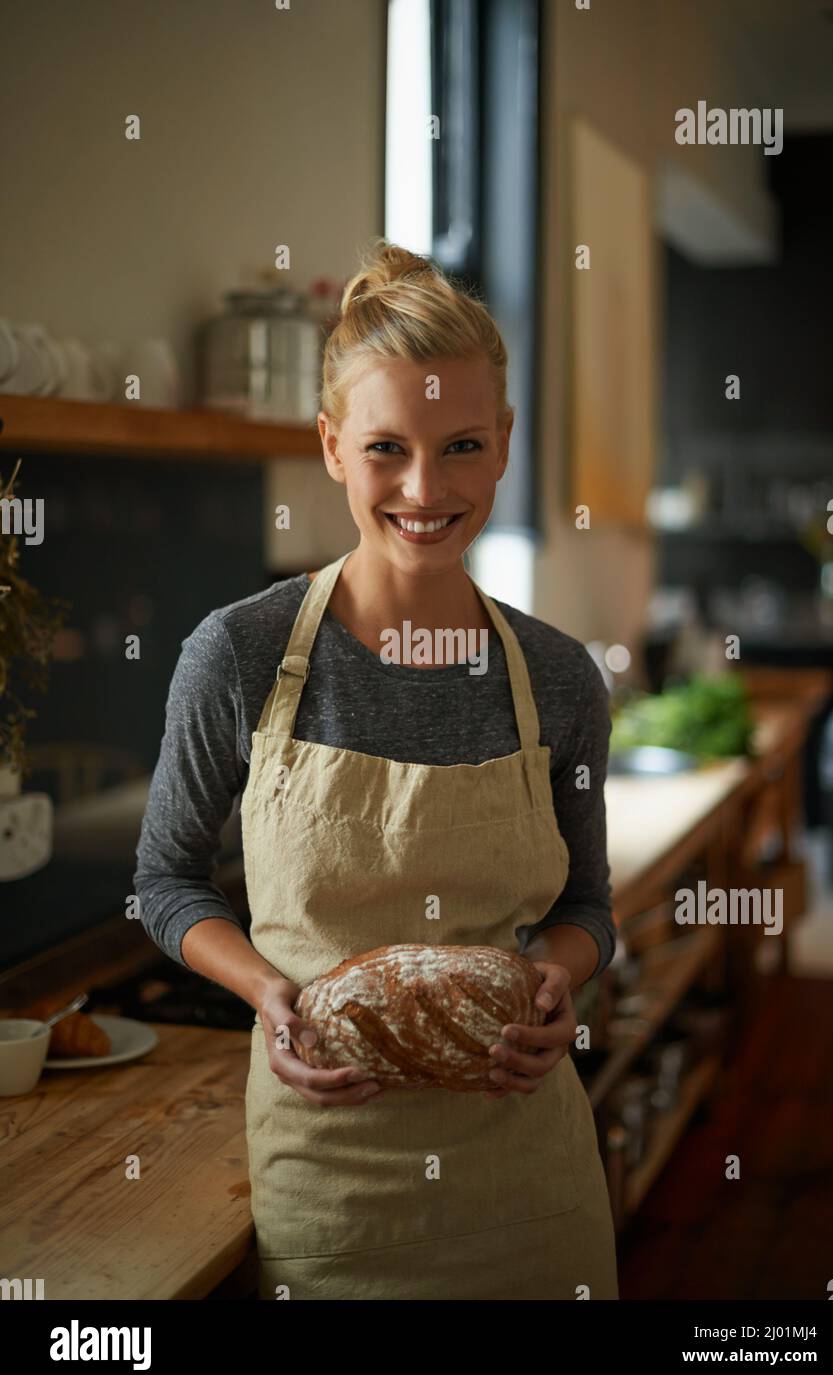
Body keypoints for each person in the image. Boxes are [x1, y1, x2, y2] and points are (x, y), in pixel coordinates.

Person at [134, 238, 620, 1300]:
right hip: (333, 1185)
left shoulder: (560, 678)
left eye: (461, 447)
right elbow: (164, 883)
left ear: (504, 448)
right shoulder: (242, 655)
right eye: (386, 448)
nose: (422, 488)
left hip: (528, 1183)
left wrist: (560, 977)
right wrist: (267, 991)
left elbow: (587, 904)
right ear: (329, 445)